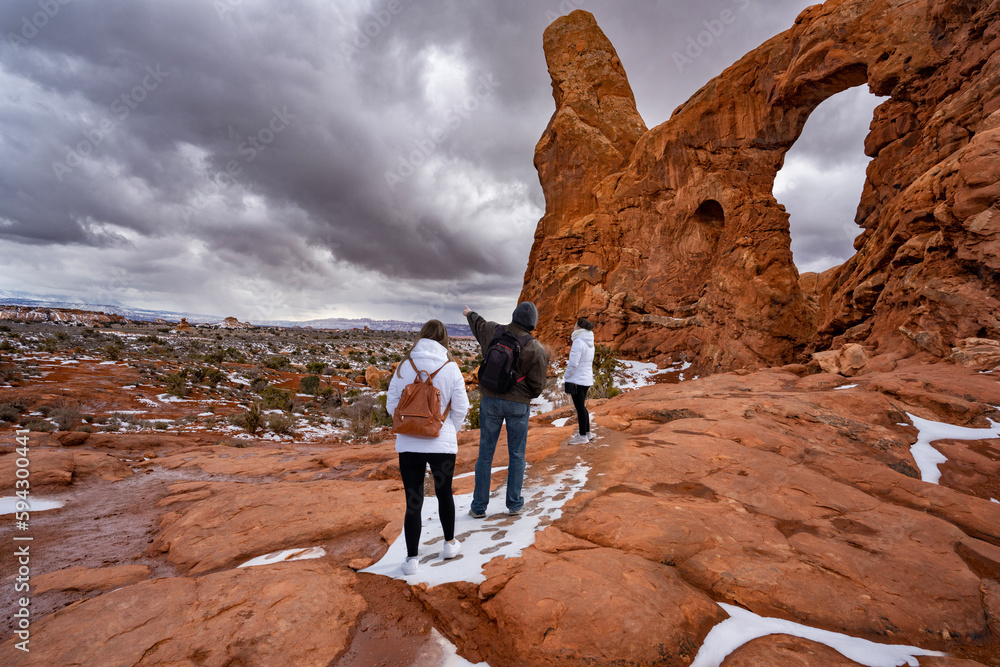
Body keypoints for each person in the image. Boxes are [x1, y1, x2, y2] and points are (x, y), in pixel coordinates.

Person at [386, 319, 470, 576]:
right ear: (444, 339)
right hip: (441, 445)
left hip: (409, 445)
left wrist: (410, 424)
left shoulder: (404, 366)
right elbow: (462, 408)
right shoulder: (451, 367)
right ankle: (449, 545)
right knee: (444, 494)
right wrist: (446, 430)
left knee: (414, 501)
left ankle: (411, 560)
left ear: (422, 336)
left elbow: (392, 405)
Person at [463, 302, 549, 518]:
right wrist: (521, 393)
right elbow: (538, 387)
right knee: (517, 455)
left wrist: (469, 313)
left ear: (513, 315)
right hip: (518, 405)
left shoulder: (494, 330)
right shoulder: (535, 348)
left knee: (485, 455)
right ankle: (514, 505)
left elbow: (478, 324)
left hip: (490, 400)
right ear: (533, 322)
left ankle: (478, 507)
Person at [564, 318, 595, 445]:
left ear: (578, 326)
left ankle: (582, 436)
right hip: (586, 378)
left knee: (580, 408)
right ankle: (587, 432)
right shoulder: (590, 341)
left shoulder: (578, 341)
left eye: (575, 324)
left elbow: (573, 363)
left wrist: (566, 376)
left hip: (577, 379)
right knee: (582, 407)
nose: (573, 325)